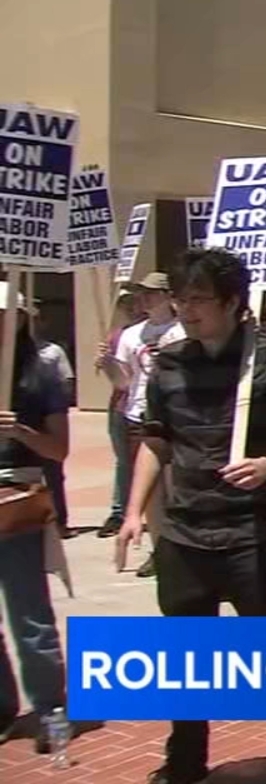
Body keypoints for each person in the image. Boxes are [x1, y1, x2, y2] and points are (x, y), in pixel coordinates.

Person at [113, 247, 266, 784]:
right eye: (180, 298)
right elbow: (155, 442)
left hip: (252, 535)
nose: (186, 309)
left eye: (199, 299)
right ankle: (185, 762)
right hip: (184, 534)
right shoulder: (167, 362)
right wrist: (134, 512)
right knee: (187, 663)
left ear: (233, 302)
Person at [0, 302, 71, 754]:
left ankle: (51, 708)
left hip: (17, 500)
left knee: (29, 612)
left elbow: (59, 449)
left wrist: (21, 433)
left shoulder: (39, 374)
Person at [107, 273, 186, 577]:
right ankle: (160, 551)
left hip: (177, 415)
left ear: (168, 295)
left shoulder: (182, 331)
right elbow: (125, 382)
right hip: (140, 415)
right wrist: (108, 365)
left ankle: (182, 549)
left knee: (175, 487)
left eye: (153, 293)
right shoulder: (131, 335)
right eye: (143, 293)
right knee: (151, 492)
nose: (146, 298)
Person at [96, 289, 144, 537]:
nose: (133, 308)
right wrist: (106, 363)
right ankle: (119, 512)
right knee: (124, 462)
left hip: (145, 408)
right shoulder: (117, 337)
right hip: (121, 406)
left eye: (136, 303)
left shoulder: (161, 332)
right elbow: (119, 382)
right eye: (127, 304)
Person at [29, 304, 74, 538]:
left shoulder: (51, 355)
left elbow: (66, 382)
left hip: (45, 424)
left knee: (53, 475)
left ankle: (60, 520)